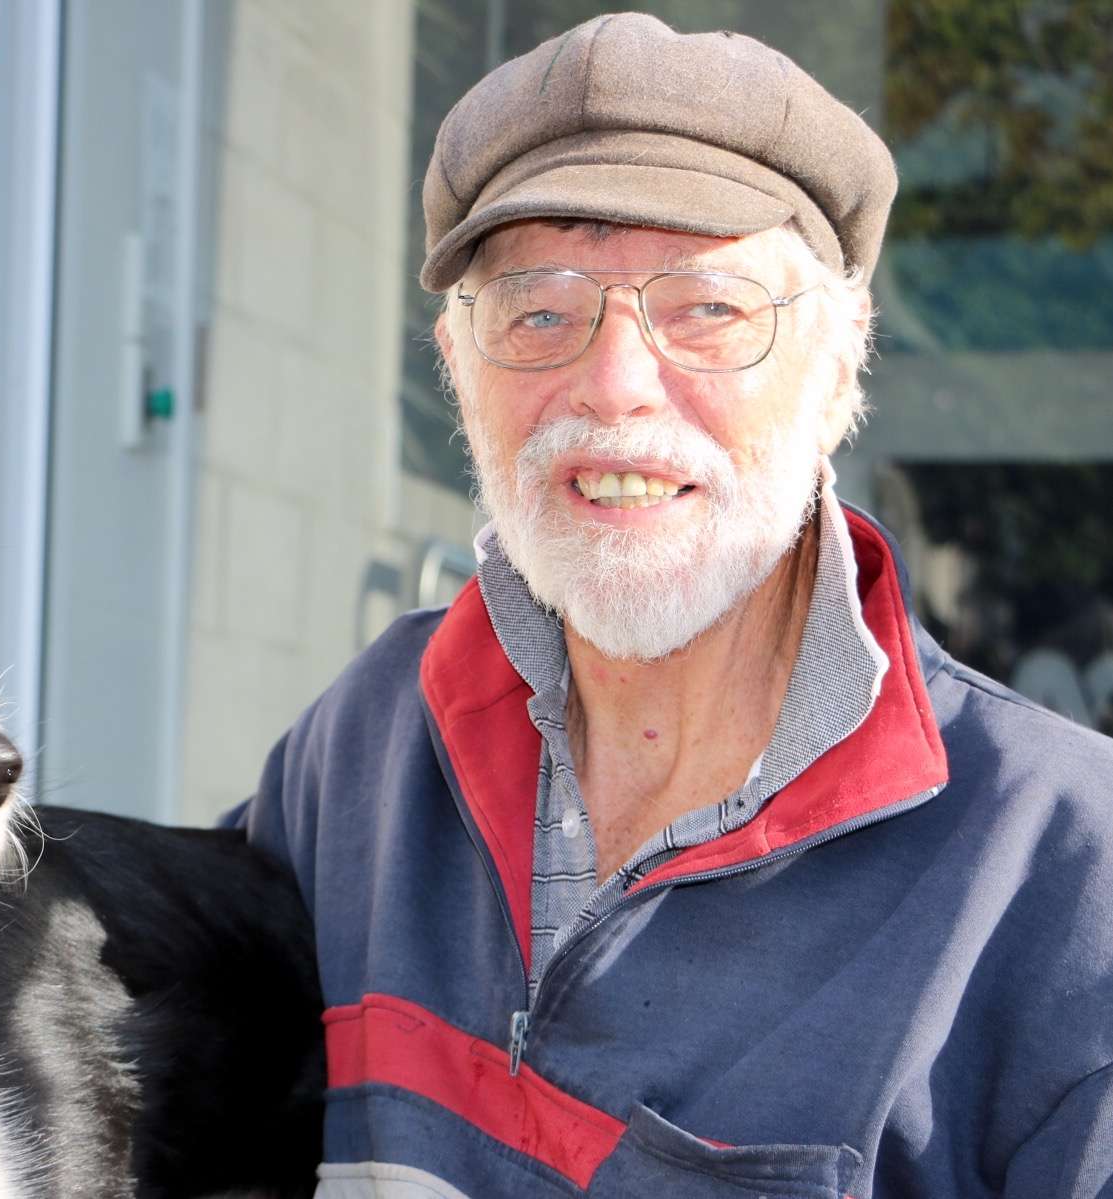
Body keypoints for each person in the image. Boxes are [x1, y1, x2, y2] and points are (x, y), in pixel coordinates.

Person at [232, 12, 1113, 1197]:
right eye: (538, 311)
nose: (614, 384)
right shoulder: (369, 742)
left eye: (706, 308)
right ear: (456, 361)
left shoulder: (1061, 868)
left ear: (842, 358)